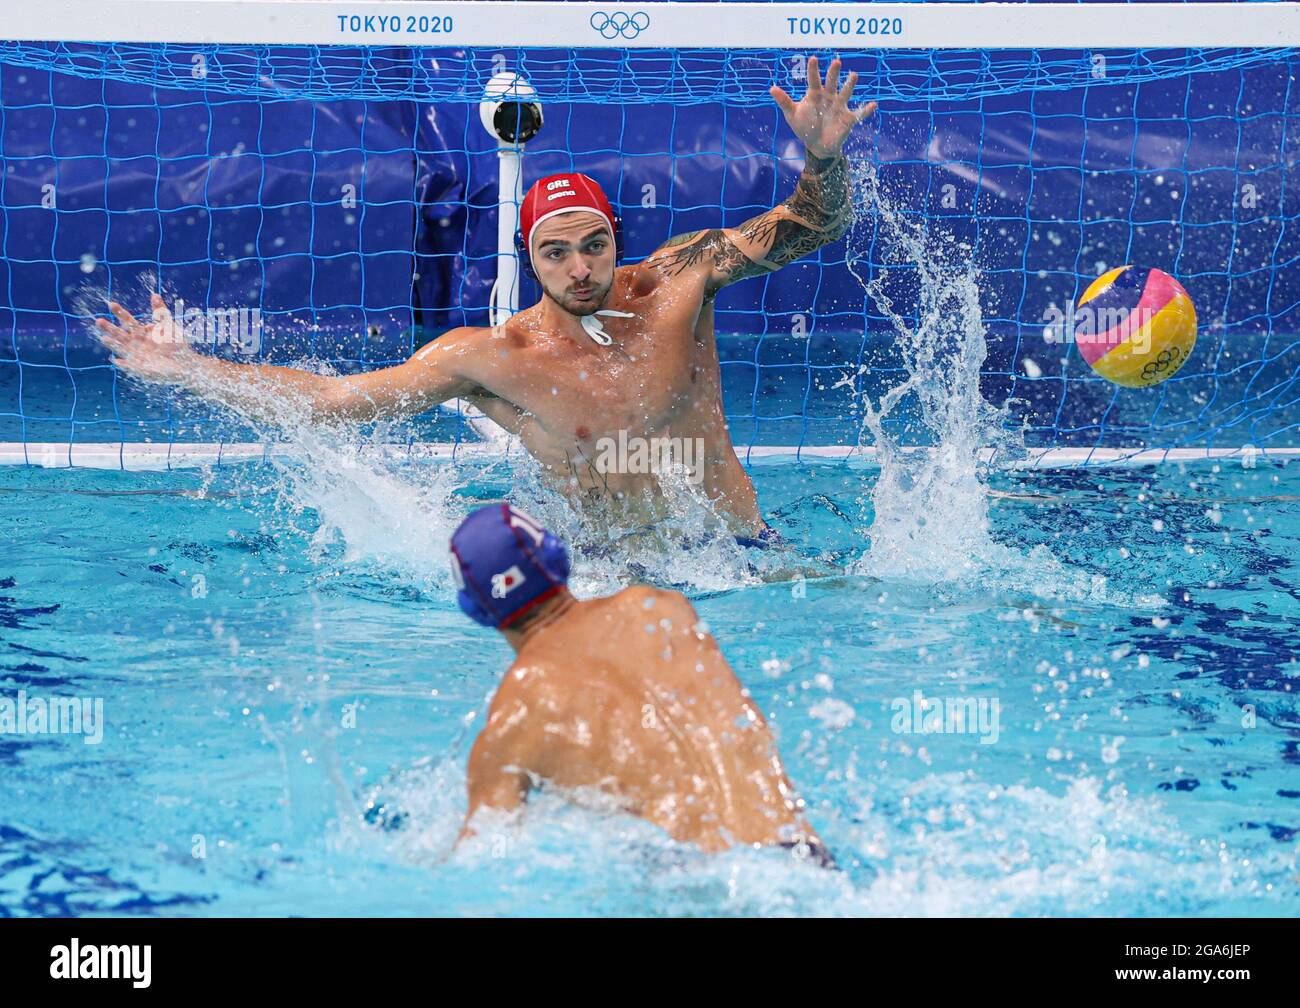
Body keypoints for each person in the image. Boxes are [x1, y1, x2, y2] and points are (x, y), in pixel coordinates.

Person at [96, 58, 875, 541]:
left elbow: (814, 223)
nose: (580, 269)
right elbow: (334, 403)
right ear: (528, 257)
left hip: (737, 558)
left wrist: (822, 158)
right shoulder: (492, 358)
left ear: (617, 239)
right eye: (556, 253)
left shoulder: (679, 280)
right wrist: (189, 369)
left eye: (595, 245)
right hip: (603, 573)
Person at [447, 503, 835, 868]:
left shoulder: (513, 720)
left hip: (702, 879)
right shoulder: (662, 609)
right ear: (555, 554)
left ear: (475, 610)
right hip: (804, 859)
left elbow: (476, 862)